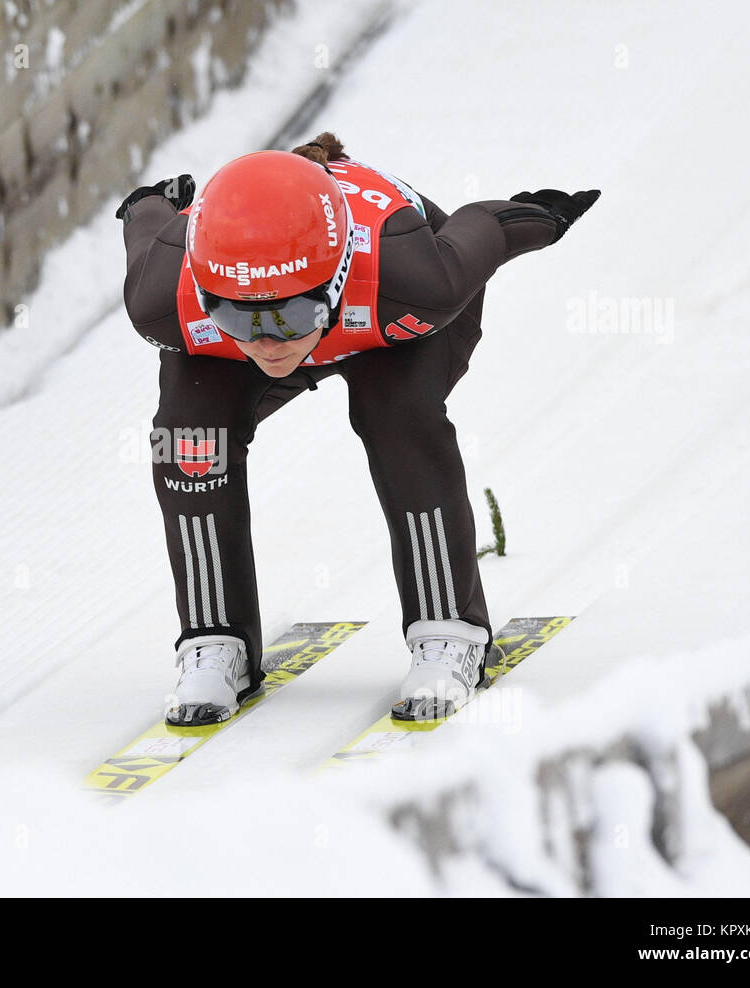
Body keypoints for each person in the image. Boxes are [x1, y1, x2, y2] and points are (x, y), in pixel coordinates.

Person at [116, 132, 598, 726]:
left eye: (291, 314)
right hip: (264, 335)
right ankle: (215, 640)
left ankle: (448, 630)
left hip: (389, 325)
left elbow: (486, 227)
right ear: (206, 292)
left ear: (337, 278)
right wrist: (152, 201)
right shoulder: (162, 296)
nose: (267, 341)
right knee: (188, 443)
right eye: (237, 312)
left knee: (399, 418)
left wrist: (544, 214)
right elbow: (147, 221)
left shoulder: (416, 277)